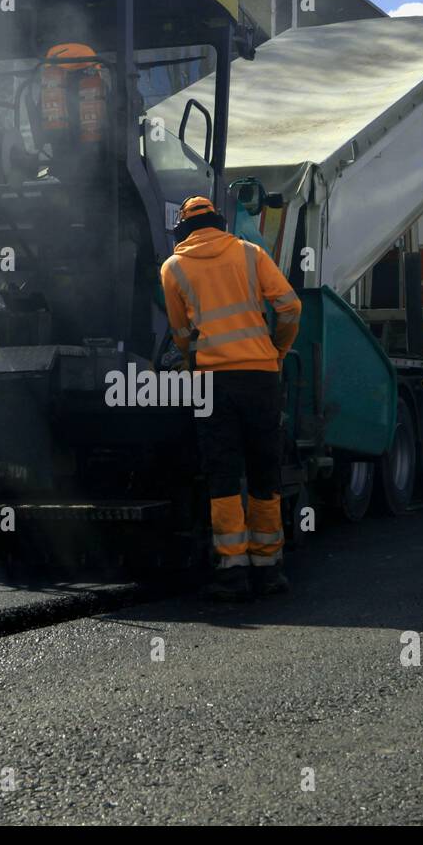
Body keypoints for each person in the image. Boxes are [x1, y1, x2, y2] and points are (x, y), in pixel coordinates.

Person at [160, 195, 303, 599]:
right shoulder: (250, 253)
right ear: (220, 223)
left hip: (212, 384)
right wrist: (276, 350)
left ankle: (232, 572)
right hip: (260, 377)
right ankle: (269, 568)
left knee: (222, 474)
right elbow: (290, 306)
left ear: (183, 230)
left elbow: (180, 334)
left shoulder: (173, 268)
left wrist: (192, 360)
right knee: (264, 470)